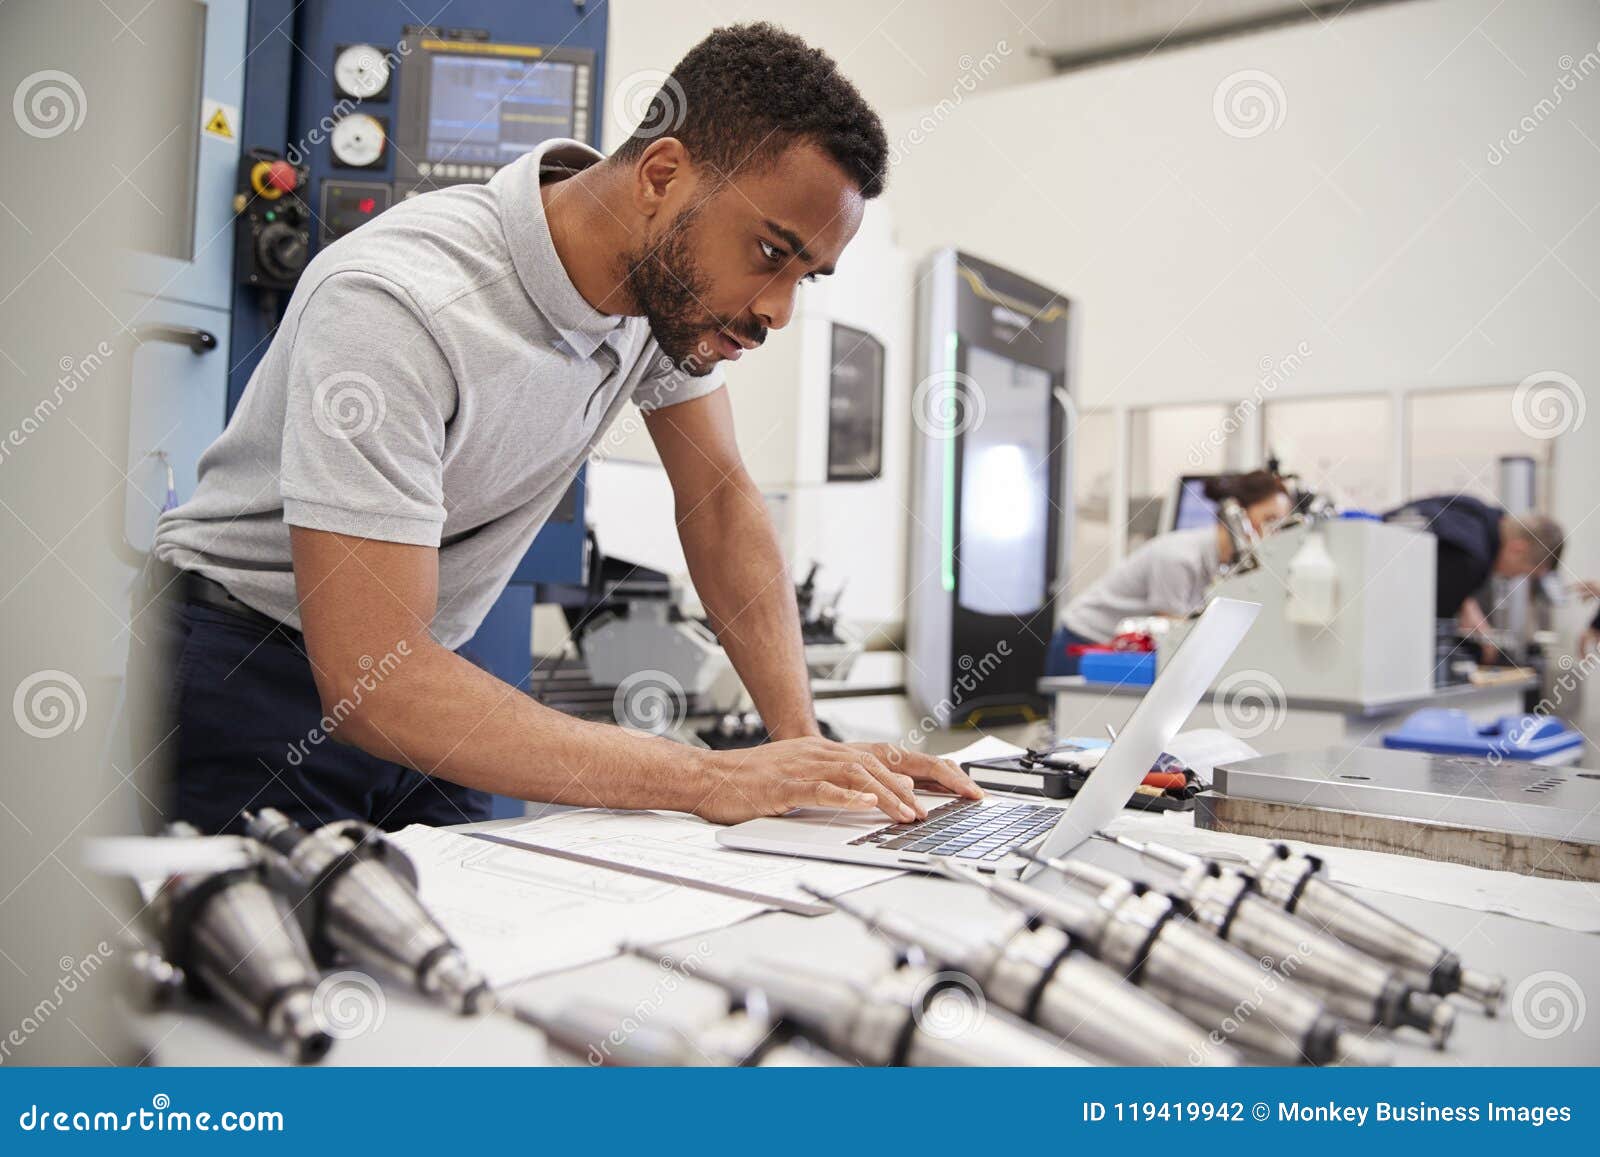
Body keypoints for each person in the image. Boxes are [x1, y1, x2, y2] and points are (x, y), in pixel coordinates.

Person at [137, 24, 979, 835]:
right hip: (244, 674)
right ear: (660, 176)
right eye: (769, 252)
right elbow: (374, 685)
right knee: (279, 967)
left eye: (808, 276)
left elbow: (719, 498)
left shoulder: (662, 293)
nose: (776, 311)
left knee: (468, 952)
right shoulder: (399, 303)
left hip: (422, 676)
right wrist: (714, 777)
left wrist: (805, 752)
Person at [1056, 471, 1292, 662]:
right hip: (1084, 641)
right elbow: (1173, 632)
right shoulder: (1179, 557)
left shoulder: (1227, 562)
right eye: (1269, 520)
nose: (1274, 533)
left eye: (1280, 525)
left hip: (1120, 649)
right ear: (1236, 514)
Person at [1383, 495, 1564, 664]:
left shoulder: (1475, 511)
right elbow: (1432, 638)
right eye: (1524, 572)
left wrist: (1464, 601)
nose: (1514, 578)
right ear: (1518, 549)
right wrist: (1481, 653)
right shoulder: (1471, 560)